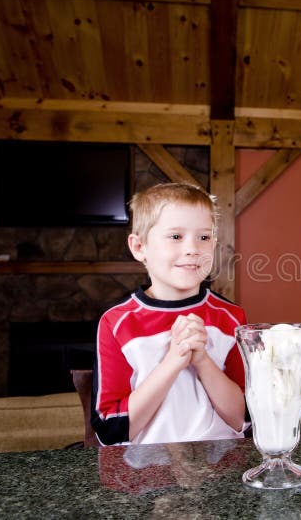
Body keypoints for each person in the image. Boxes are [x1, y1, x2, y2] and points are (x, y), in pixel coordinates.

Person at [91, 182, 247, 445]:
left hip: (223, 466)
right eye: (176, 237)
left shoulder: (231, 317)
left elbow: (244, 418)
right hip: (146, 473)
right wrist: (174, 360)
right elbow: (110, 430)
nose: (193, 249)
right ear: (139, 247)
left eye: (204, 237)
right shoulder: (116, 323)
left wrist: (202, 360)